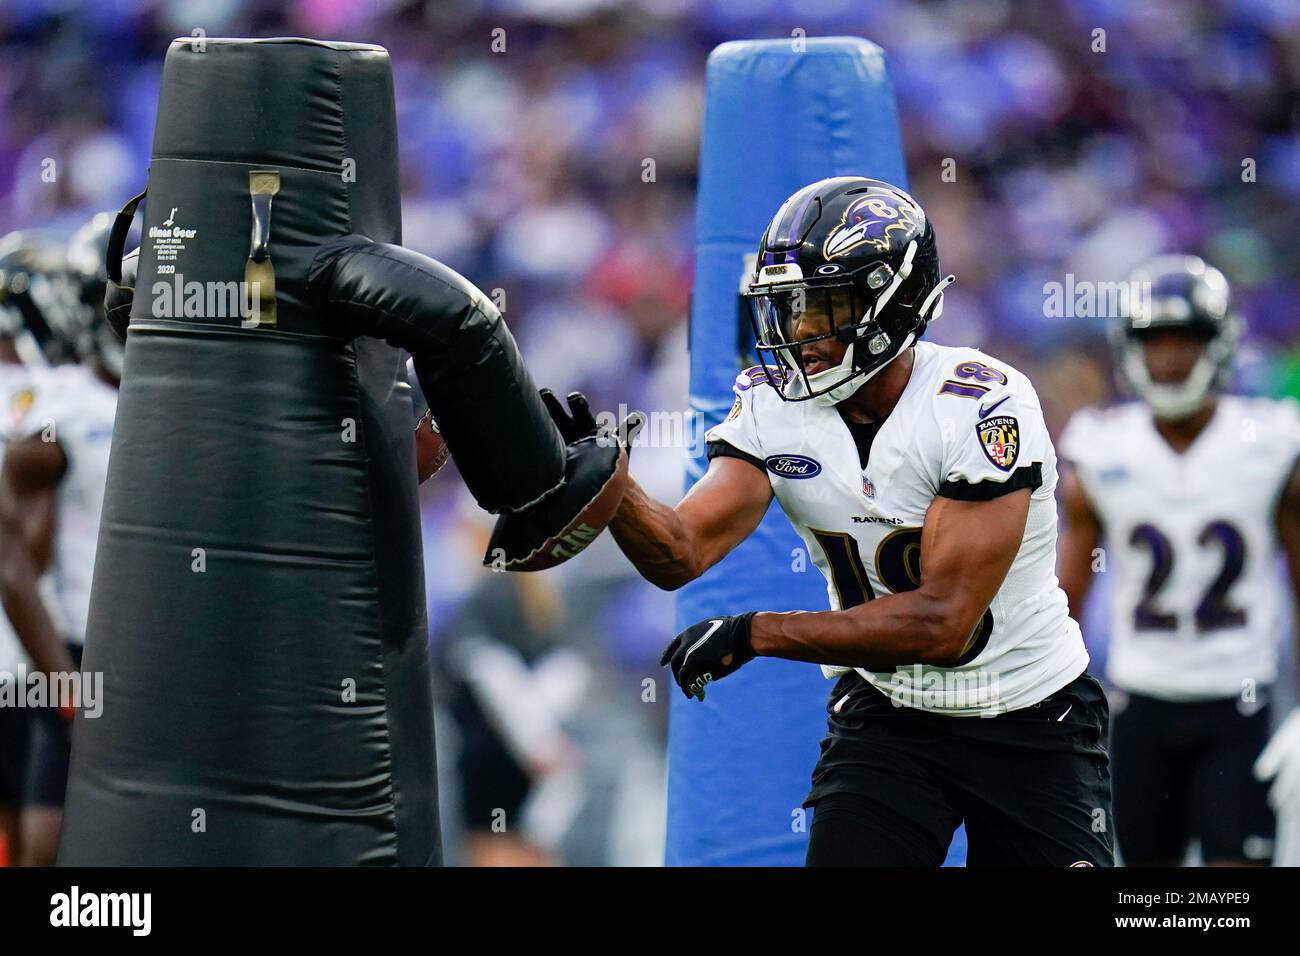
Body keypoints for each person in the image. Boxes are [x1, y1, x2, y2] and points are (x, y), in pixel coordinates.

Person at [549, 176, 1112, 865]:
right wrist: (613, 488)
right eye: (788, 309)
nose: (801, 333)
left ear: (893, 300)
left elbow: (941, 622)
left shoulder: (980, 402)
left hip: (1030, 715)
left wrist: (757, 633)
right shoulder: (773, 409)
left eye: (824, 308)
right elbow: (680, 552)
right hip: (890, 717)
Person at [1057, 255, 1300, 866]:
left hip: (1240, 701)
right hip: (1139, 702)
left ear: (1218, 346)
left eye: (1184, 341)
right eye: (1154, 341)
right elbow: (1067, 597)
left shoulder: (1270, 441)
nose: (1168, 358)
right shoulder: (1101, 446)